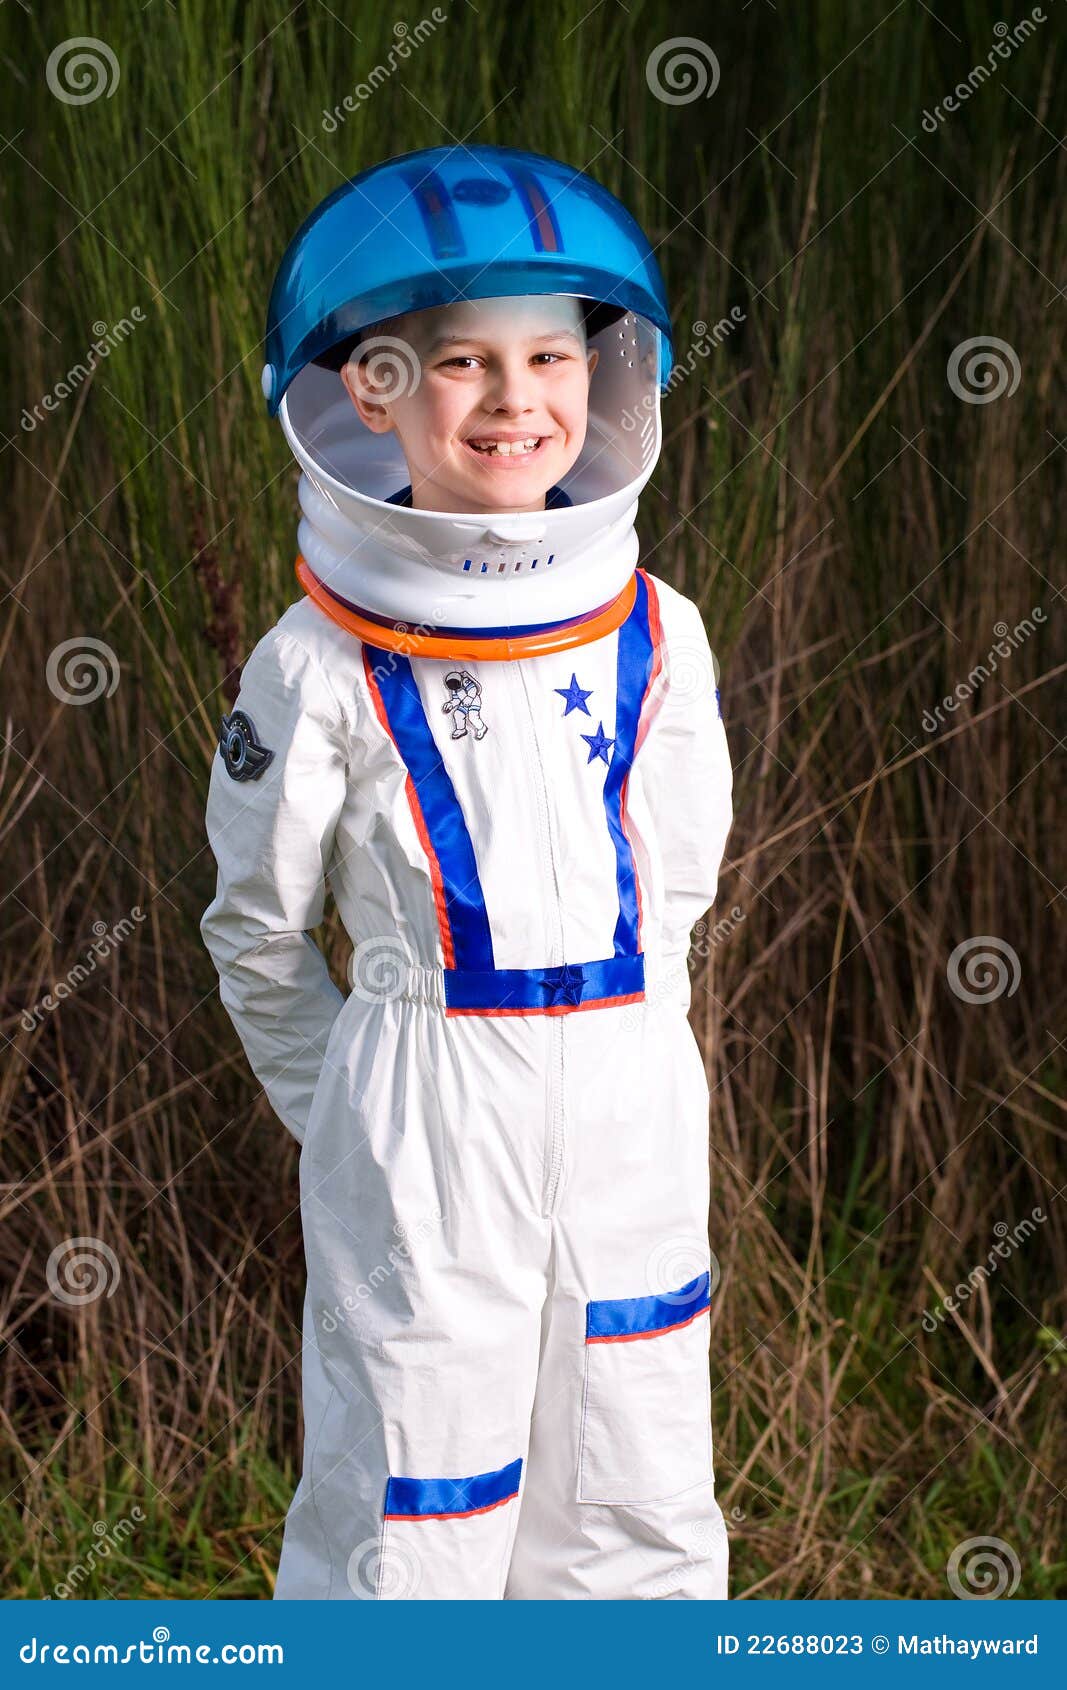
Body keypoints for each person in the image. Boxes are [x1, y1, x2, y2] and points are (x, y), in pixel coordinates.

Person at [200, 143, 734, 1600]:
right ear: (363, 388)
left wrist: (635, 1066)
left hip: (626, 1083)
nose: (518, 401)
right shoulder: (316, 662)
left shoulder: (658, 629)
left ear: (605, 374)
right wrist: (360, 1114)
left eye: (551, 354)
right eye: (462, 363)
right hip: (422, 1095)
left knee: (637, 1476)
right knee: (412, 1496)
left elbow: (676, 891)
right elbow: (252, 931)